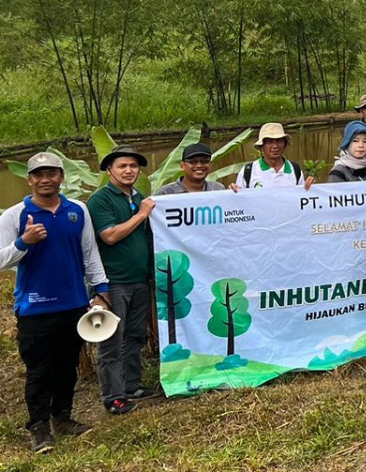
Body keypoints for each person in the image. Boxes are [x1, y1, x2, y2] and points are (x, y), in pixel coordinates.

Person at [1, 153, 111, 452]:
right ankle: (39, 427)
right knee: (39, 370)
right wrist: (24, 242)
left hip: (74, 304)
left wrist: (101, 289)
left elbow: (89, 253)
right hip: (35, 307)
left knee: (66, 366)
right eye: (38, 174)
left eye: (51, 173)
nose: (45, 179)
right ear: (29, 179)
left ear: (62, 177)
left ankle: (62, 417)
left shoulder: (79, 211)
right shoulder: (14, 215)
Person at [87, 147, 154, 416]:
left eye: (133, 166)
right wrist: (141, 214)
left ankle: (131, 385)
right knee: (111, 341)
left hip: (140, 279)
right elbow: (110, 236)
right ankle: (113, 397)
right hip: (113, 282)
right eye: (122, 166)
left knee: (135, 335)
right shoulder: (100, 200)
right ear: (109, 170)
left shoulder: (138, 197)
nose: (129, 171)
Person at [236, 123, 315, 190]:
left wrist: (309, 188)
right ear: (262, 146)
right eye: (269, 142)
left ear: (285, 144)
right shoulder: (249, 171)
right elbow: (239, 201)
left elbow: (300, 199)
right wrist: (233, 192)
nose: (275, 146)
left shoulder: (295, 170)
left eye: (279, 141)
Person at [156, 143, 233, 195]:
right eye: (193, 161)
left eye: (204, 161)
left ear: (210, 165)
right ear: (182, 165)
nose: (199, 165)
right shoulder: (166, 193)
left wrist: (235, 194)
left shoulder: (218, 189)